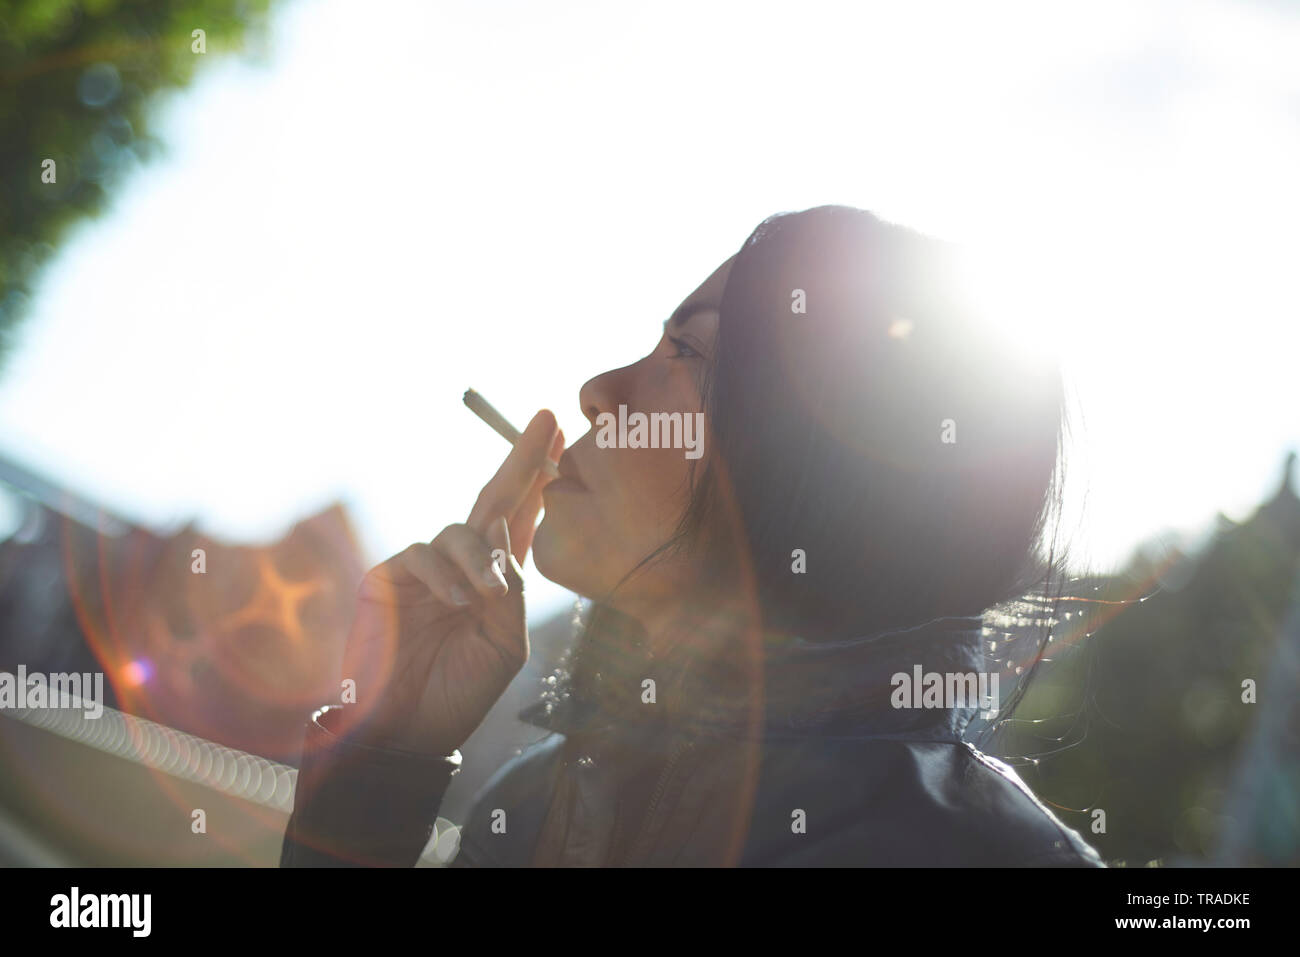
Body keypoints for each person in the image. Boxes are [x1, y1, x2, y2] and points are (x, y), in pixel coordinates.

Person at [281, 205, 1104, 867]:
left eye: (684, 349)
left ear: (819, 456)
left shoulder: (986, 855)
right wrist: (384, 760)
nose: (598, 391)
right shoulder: (529, 811)